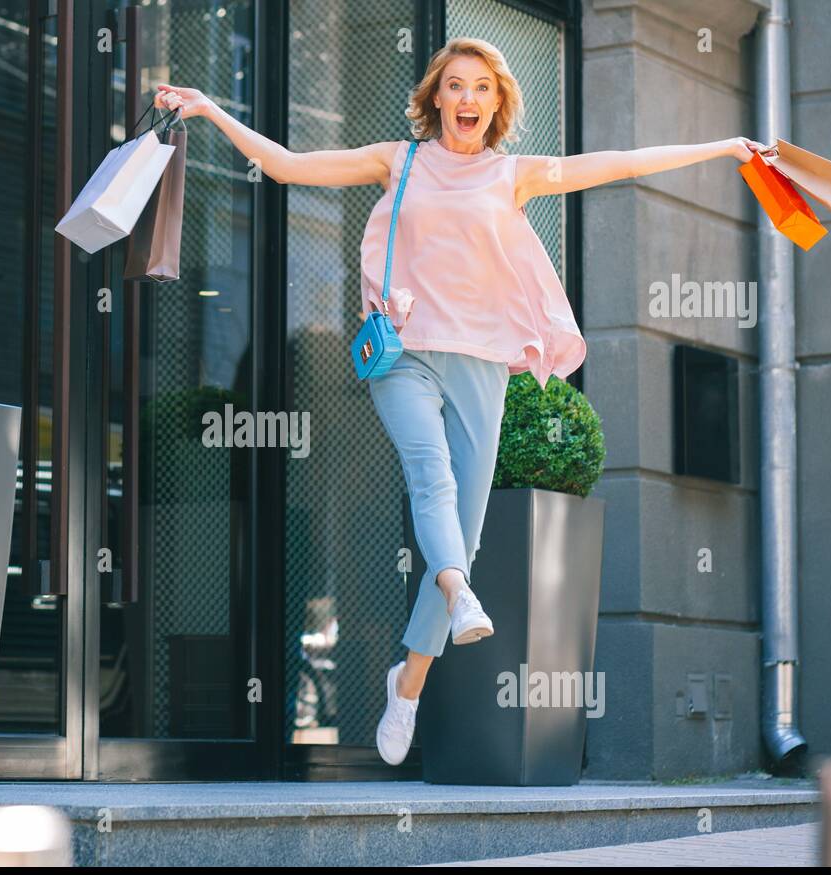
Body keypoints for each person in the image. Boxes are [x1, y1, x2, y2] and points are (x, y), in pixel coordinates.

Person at [154, 37, 773, 767]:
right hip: (403, 356)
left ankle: (407, 682)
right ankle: (460, 596)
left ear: (497, 103)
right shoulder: (400, 161)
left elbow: (616, 164)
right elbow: (288, 166)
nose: (469, 99)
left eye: (482, 88)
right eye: (455, 86)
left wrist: (724, 145)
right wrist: (211, 109)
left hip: (481, 366)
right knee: (430, 476)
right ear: (437, 98)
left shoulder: (511, 176)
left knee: (462, 538)